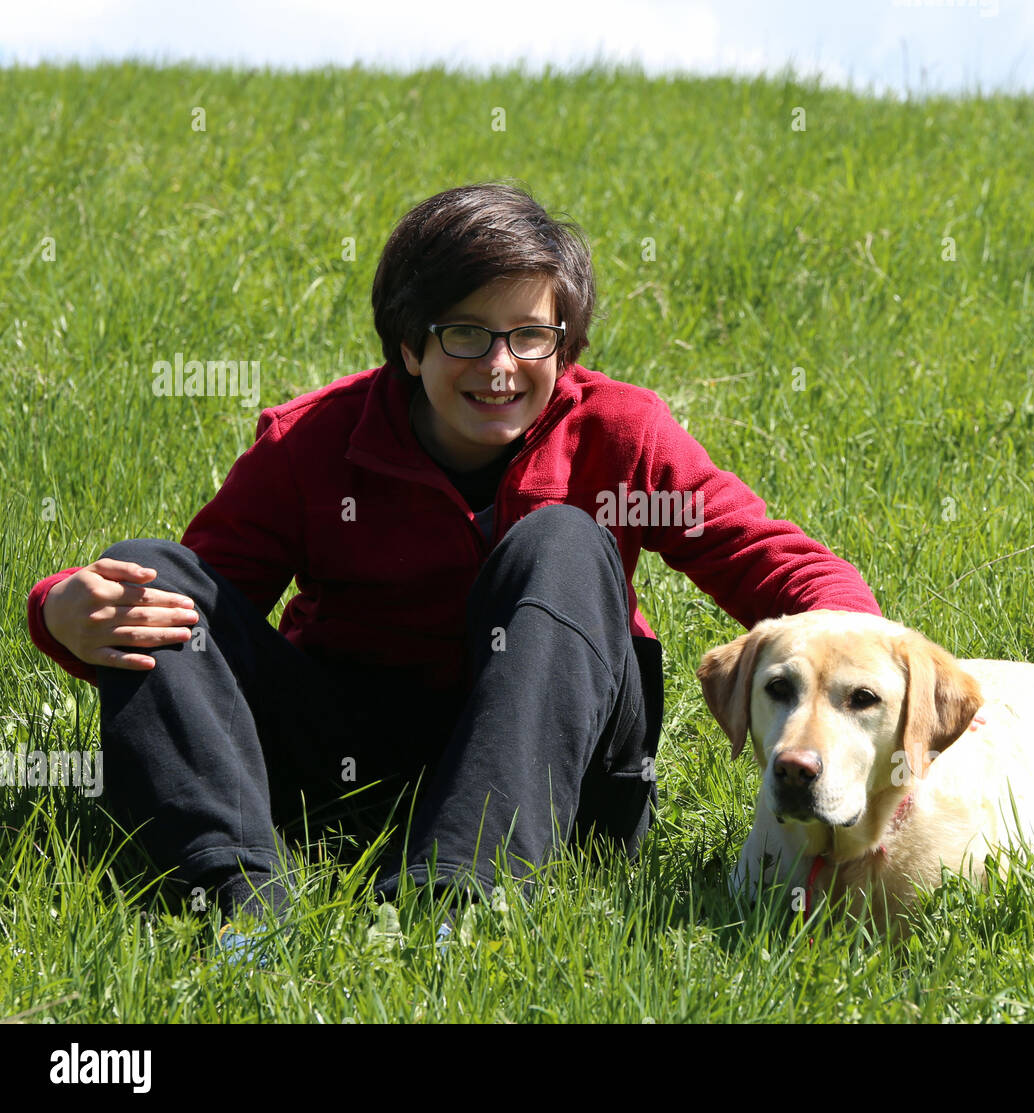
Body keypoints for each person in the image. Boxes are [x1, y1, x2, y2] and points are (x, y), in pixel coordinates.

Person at [26, 182, 881, 950]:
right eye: (466, 333)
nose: (500, 366)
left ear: (565, 341)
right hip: (346, 765)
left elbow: (768, 558)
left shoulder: (623, 432)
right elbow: (197, 616)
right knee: (150, 569)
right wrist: (58, 609)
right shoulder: (313, 444)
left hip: (559, 773)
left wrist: (881, 658)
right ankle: (236, 905)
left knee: (564, 539)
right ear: (409, 344)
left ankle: (460, 905)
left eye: (530, 334)